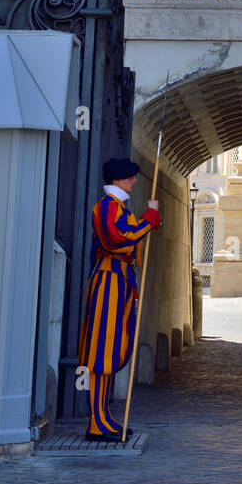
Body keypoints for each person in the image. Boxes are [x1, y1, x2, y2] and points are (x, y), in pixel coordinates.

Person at [77, 157, 162, 440]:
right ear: (118, 180)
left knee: (112, 348)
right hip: (109, 281)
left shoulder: (117, 207)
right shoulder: (106, 208)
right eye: (131, 177)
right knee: (101, 350)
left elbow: (129, 233)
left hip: (120, 281)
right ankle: (96, 422)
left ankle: (103, 417)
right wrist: (148, 221)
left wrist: (147, 222)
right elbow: (119, 239)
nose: (135, 181)